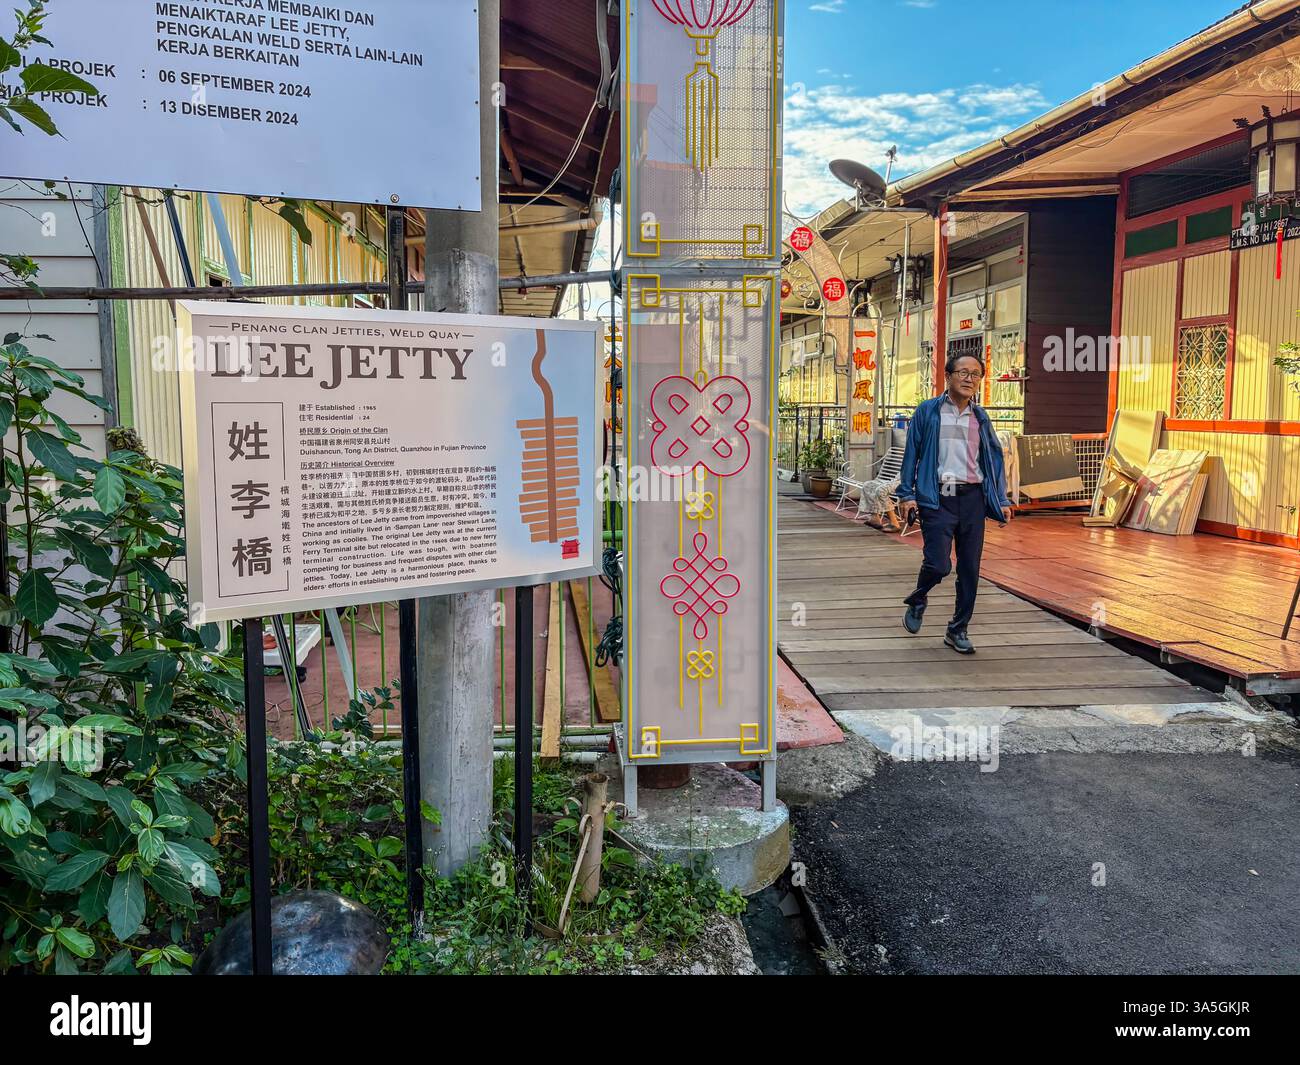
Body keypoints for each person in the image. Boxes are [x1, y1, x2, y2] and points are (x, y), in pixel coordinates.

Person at [897, 353, 1013, 654]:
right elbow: (912, 454)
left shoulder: (981, 417)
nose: (969, 378)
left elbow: (994, 459)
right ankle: (919, 597)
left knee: (970, 569)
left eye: (976, 374)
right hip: (938, 497)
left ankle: (958, 629)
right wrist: (906, 494)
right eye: (963, 372)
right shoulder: (928, 412)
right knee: (938, 563)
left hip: (972, 498)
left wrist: (1001, 499)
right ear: (948, 376)